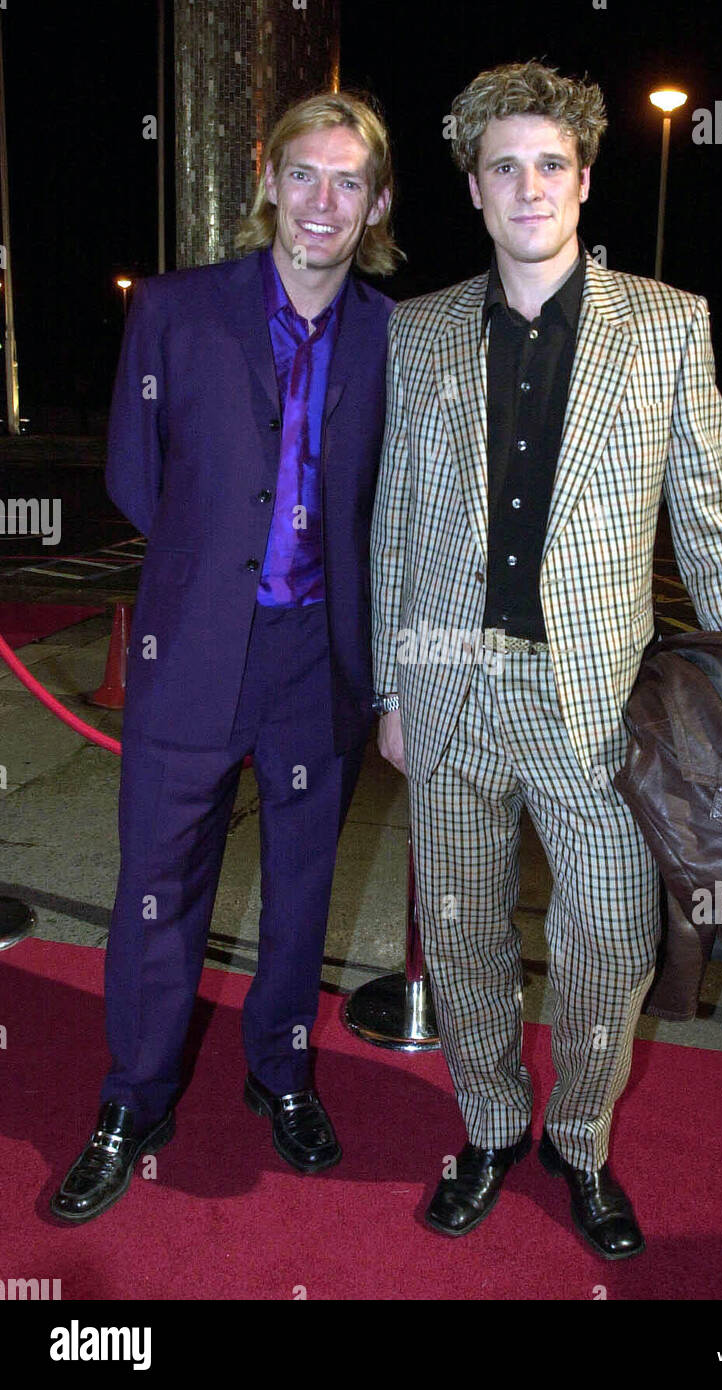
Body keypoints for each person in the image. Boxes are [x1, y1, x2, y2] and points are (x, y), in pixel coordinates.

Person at [371, 60, 722, 1260]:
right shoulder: (419, 331)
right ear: (477, 193)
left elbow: (710, 517)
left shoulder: (666, 323)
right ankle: (490, 1123)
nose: (528, 185)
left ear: (584, 181)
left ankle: (579, 1140)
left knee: (611, 937)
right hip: (449, 687)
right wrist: (392, 687)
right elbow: (393, 517)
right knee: (459, 929)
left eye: (550, 163)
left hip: (594, 702)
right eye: (504, 167)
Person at [51, 91, 400, 1223]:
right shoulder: (173, 311)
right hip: (193, 645)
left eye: (348, 183)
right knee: (159, 885)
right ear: (266, 179)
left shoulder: (398, 336)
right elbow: (135, 476)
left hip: (318, 662)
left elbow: (391, 508)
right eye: (304, 174)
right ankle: (132, 1096)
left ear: (377, 203)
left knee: (302, 889)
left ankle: (281, 1073)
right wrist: (216, 570)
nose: (321, 202)